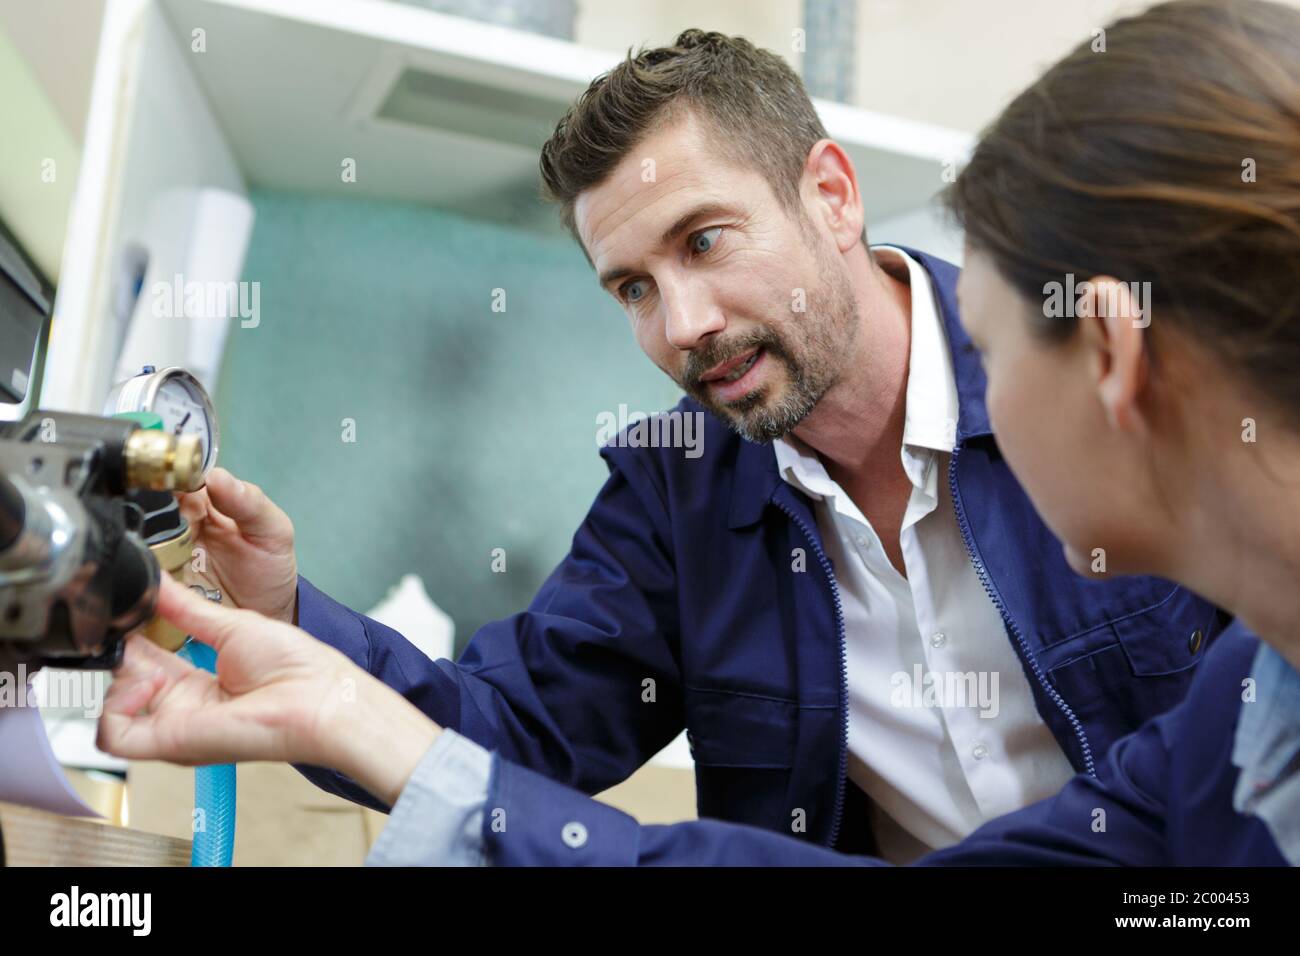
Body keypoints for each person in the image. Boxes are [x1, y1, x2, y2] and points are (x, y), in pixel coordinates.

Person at [99, 0, 1297, 865]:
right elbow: (516, 724)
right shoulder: (676, 490)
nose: (681, 324)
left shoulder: (1069, 392)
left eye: (704, 241)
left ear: (830, 192)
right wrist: (291, 620)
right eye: (628, 287)